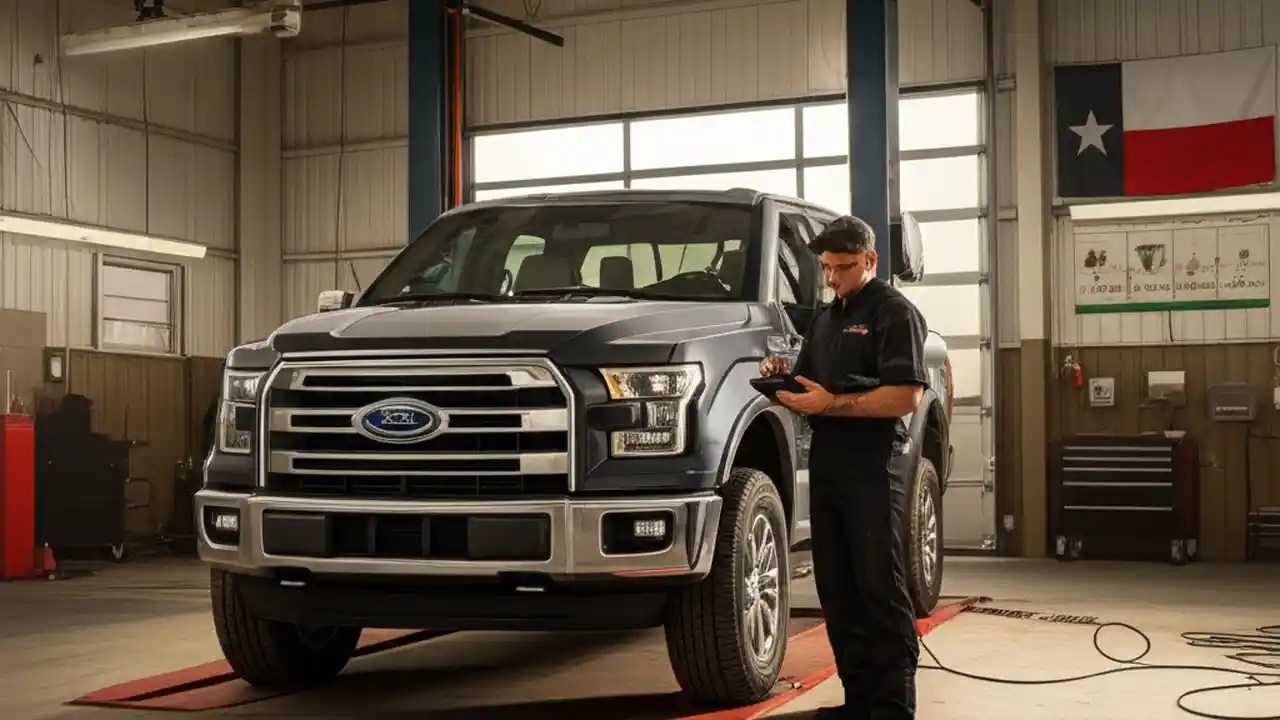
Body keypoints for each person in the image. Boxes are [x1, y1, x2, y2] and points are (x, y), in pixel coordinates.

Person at [759, 215, 929, 720]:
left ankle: (893, 707)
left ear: (870, 260)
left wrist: (831, 404)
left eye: (843, 267)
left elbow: (905, 396)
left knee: (878, 585)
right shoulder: (827, 319)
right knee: (838, 588)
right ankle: (859, 701)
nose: (832, 278)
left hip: (872, 465)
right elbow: (810, 382)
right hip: (829, 463)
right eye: (827, 268)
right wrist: (782, 377)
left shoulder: (895, 314)